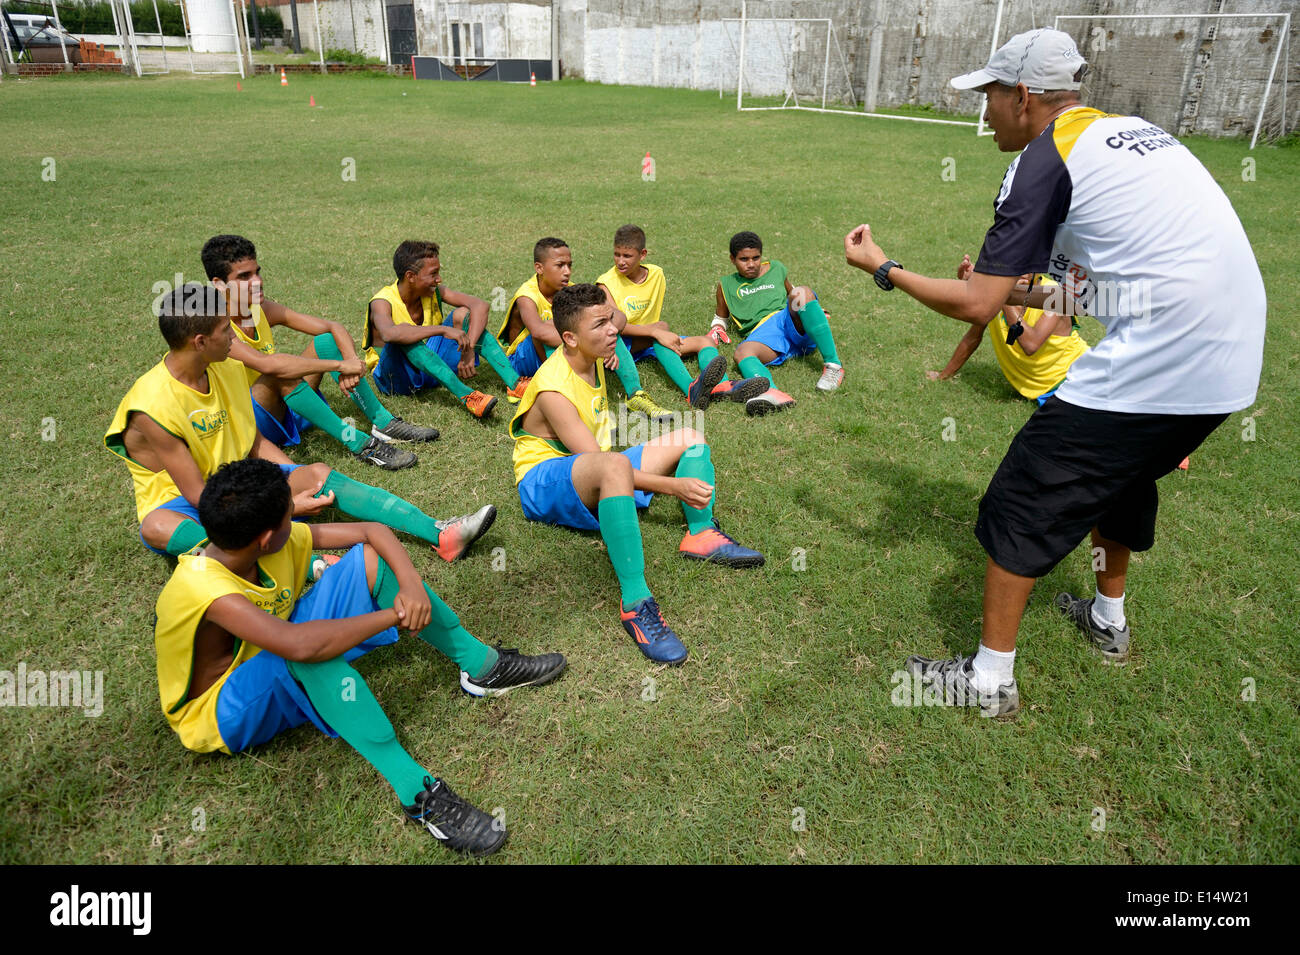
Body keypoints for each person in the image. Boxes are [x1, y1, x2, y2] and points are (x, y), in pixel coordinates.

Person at [843, 28, 1266, 717]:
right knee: (1122, 475)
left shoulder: (1044, 159)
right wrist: (1014, 290)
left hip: (1168, 348)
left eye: (992, 96)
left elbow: (977, 303)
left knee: (1023, 492)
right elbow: (1080, 290)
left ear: (1025, 95)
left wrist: (885, 269)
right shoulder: (1130, 133)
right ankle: (1108, 621)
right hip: (1233, 356)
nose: (987, 113)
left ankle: (987, 682)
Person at [154, 459, 566, 855]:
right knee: (310, 655)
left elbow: (373, 531)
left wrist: (410, 586)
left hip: (274, 646)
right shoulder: (201, 587)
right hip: (222, 709)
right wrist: (393, 614)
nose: (297, 515)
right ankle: (417, 794)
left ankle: (483, 667)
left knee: (369, 563)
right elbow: (301, 645)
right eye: (289, 512)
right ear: (264, 537)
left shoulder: (262, 545)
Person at [105, 284, 496, 562]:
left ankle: (440, 533)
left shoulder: (220, 364)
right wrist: (283, 507)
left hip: (238, 484)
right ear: (199, 341)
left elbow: (252, 441)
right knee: (160, 526)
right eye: (226, 331)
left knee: (319, 472)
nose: (234, 338)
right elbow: (198, 496)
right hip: (189, 505)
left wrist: (294, 474)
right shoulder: (150, 407)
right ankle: (313, 564)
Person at [509, 283, 765, 665]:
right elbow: (599, 459)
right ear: (570, 338)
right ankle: (636, 603)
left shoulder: (593, 352)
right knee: (614, 465)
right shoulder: (552, 390)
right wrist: (672, 486)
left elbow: (621, 324)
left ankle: (701, 534)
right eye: (600, 324)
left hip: (591, 468)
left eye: (610, 320)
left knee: (691, 435)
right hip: (542, 483)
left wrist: (613, 323)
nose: (613, 329)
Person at [201, 234, 438, 472]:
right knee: (280, 372)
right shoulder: (214, 328)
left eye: (257, 272)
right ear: (219, 283)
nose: (257, 281)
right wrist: (338, 367)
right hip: (250, 426)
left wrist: (350, 361)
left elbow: (332, 327)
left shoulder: (260, 309)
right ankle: (362, 445)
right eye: (244, 277)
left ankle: (384, 423)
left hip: (281, 406)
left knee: (324, 341)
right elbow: (268, 366)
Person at [596, 223, 769, 411]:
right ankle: (690, 389)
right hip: (621, 344)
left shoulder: (656, 274)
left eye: (627, 256)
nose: (620, 261)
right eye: (617, 254)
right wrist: (655, 331)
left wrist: (656, 331)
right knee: (661, 333)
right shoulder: (605, 284)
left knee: (706, 342)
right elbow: (615, 326)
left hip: (649, 337)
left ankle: (723, 386)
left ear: (642, 254)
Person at [500, 237, 674, 422]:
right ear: (539, 268)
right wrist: (591, 343)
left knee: (606, 332)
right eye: (560, 266)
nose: (567, 272)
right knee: (557, 333)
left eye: (569, 265)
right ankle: (580, 408)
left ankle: (635, 394)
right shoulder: (527, 296)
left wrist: (600, 337)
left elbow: (619, 318)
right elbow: (538, 333)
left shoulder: (571, 290)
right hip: (522, 362)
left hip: (556, 352)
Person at [364, 240, 503, 419]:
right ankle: (467, 395)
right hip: (394, 381)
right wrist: (442, 330)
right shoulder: (381, 302)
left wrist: (469, 347)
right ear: (410, 276)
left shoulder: (433, 291)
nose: (439, 279)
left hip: (427, 369)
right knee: (405, 334)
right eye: (433, 274)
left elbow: (479, 305)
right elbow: (389, 334)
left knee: (464, 315)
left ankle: (514, 385)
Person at [714, 231, 845, 417]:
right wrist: (716, 329)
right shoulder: (726, 284)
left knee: (801, 292)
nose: (751, 264)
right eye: (744, 259)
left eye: (756, 257)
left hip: (786, 319)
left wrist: (814, 310)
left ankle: (834, 366)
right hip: (763, 334)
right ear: (732, 259)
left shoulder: (776, 268)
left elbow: (794, 294)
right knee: (742, 352)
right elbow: (721, 318)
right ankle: (770, 392)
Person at [929, 259, 1086, 406]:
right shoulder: (994, 299)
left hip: (1077, 378)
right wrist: (943, 375)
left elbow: (1030, 345)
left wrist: (1000, 295)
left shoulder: (1055, 295)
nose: (1024, 270)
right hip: (1046, 391)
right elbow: (973, 337)